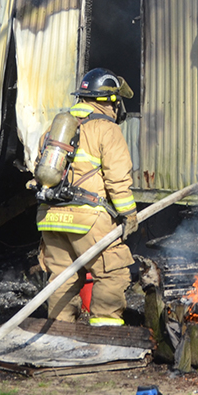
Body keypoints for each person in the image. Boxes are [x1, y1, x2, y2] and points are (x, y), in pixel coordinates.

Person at [35, 68, 139, 326]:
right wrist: (129, 214)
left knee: (62, 278)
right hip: (88, 219)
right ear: (111, 101)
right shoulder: (107, 129)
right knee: (112, 272)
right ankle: (104, 335)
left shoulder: (55, 128)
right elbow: (117, 180)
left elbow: (39, 169)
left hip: (50, 217)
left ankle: (60, 335)